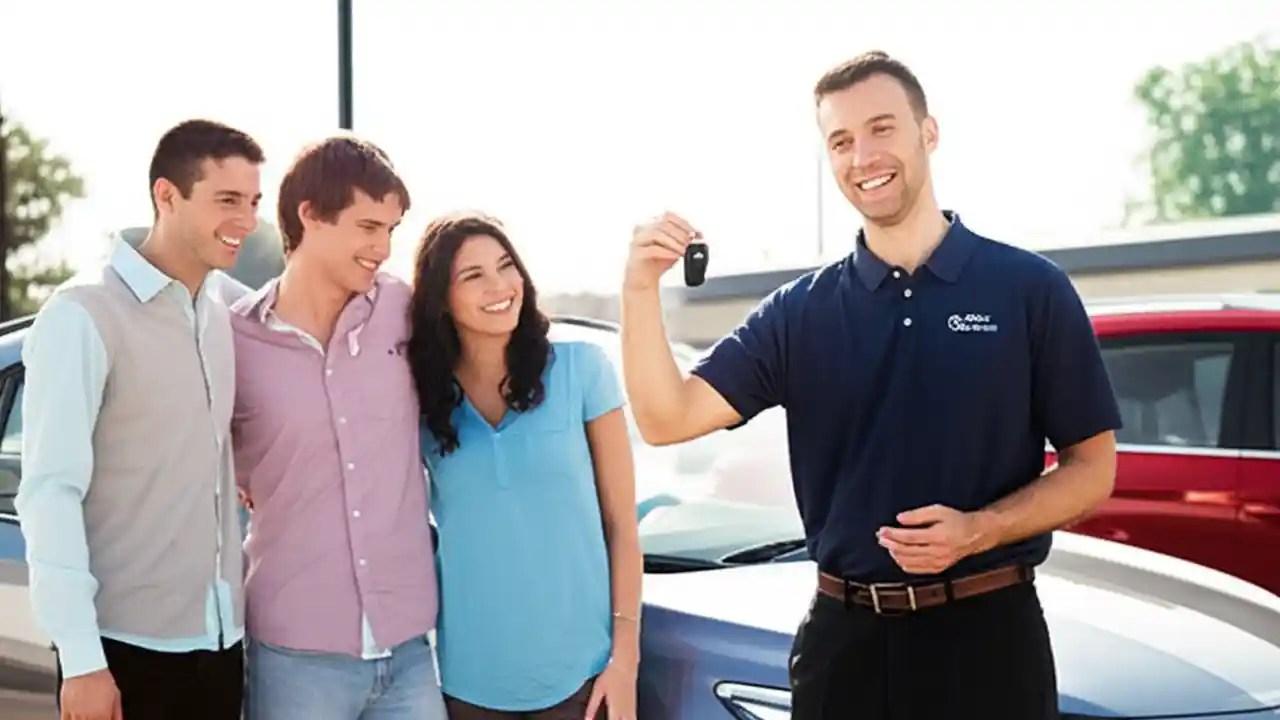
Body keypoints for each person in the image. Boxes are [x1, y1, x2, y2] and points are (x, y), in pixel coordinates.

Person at [619, 50, 1122, 720]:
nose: (863, 156)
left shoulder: (1030, 290)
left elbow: (1094, 468)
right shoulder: (799, 314)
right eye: (841, 141)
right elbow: (666, 418)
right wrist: (637, 286)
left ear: (928, 133)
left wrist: (980, 529)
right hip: (847, 649)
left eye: (882, 129)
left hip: (990, 642)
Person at [16, 118, 264, 720]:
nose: (247, 220)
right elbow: (50, 494)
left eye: (254, 201)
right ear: (167, 195)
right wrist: (81, 661)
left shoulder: (226, 309)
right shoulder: (81, 315)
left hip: (223, 649)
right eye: (227, 199)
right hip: (125, 658)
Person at [227, 135, 445, 720]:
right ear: (310, 216)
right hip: (296, 660)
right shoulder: (233, 342)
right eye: (368, 227)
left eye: (392, 231)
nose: (382, 248)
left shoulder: (405, 312)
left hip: (409, 653)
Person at [408, 212, 642, 720]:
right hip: (467, 686)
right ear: (440, 300)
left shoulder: (583, 370)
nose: (499, 286)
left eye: (505, 265)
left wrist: (625, 660)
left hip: (582, 680)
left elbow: (622, 525)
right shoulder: (423, 402)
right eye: (473, 276)